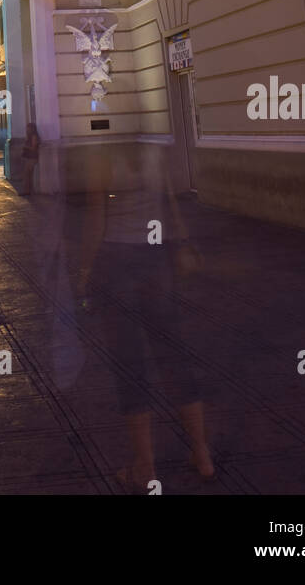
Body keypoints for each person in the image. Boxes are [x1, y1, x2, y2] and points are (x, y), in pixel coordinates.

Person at [75, 143, 214, 493]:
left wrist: (85, 269)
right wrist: (181, 242)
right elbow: (169, 199)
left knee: (130, 363)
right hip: (157, 258)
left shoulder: (102, 152)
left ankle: (146, 467)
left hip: (117, 260)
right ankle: (201, 452)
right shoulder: (154, 148)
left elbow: (96, 218)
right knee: (173, 355)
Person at [21, 120, 40, 196]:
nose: (27, 130)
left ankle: (28, 191)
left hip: (32, 158)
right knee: (27, 175)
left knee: (29, 175)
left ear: (32, 129)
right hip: (28, 158)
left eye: (28, 128)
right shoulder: (29, 136)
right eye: (26, 128)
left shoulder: (34, 136)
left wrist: (25, 146)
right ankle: (27, 190)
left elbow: (34, 148)